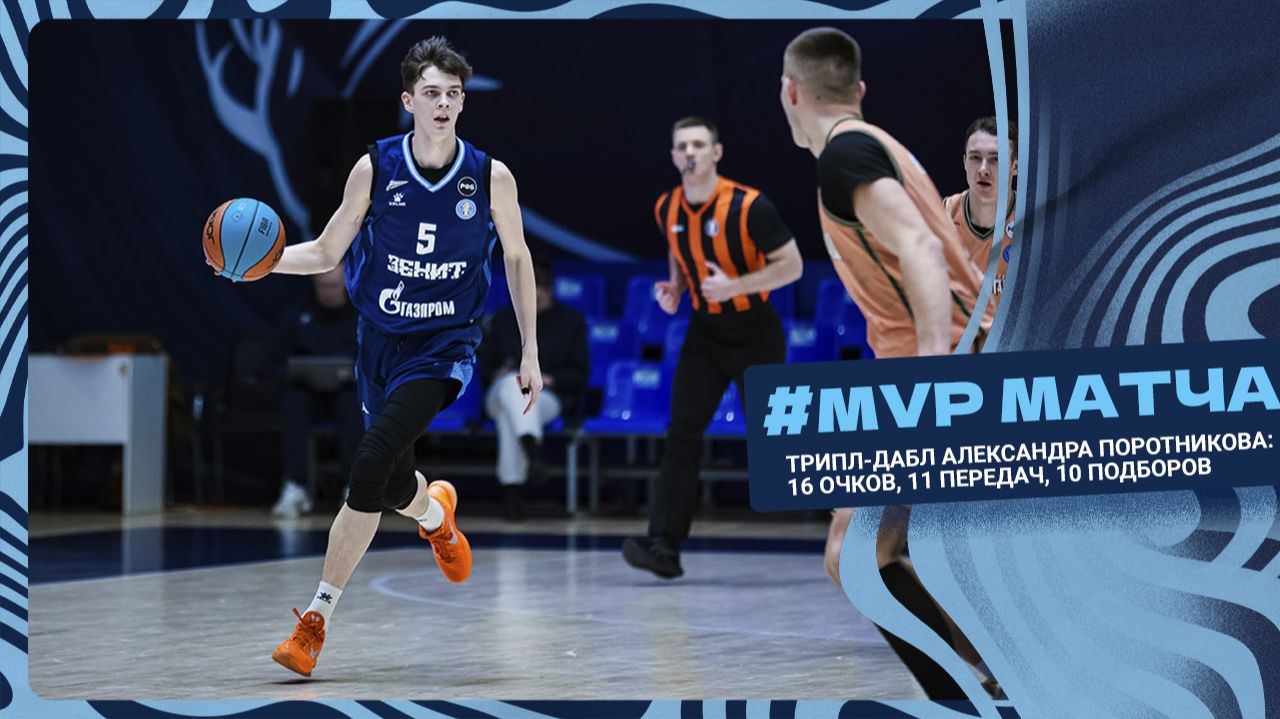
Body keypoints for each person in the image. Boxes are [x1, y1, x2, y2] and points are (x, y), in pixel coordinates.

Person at [231, 36, 542, 677]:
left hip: (444, 345)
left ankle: (314, 623)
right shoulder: (375, 167)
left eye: (453, 94)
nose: (443, 103)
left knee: (369, 463)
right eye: (431, 93)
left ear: (463, 102)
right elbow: (326, 252)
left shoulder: (491, 176)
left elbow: (516, 259)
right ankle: (436, 515)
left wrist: (529, 349)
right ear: (408, 101)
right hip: (379, 341)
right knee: (395, 483)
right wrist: (260, 264)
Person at [779, 28, 994, 699]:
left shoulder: (845, 155)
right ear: (859, 90)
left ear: (790, 93)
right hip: (966, 357)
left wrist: (931, 370)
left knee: (856, 555)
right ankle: (992, 677)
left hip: (936, 368)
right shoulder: (878, 146)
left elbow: (922, 251)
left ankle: (961, 696)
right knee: (884, 553)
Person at [621, 116, 803, 579]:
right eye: (682, 145)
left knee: (781, 440)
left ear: (716, 153)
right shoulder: (667, 207)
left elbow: (793, 266)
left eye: (699, 144)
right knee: (682, 432)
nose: (690, 152)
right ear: (673, 156)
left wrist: (736, 285)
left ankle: (853, 521)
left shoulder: (750, 206)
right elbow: (678, 249)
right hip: (705, 333)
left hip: (756, 331)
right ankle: (664, 545)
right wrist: (676, 287)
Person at [479, 260, 588, 520]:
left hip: (546, 398)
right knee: (512, 385)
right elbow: (484, 368)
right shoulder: (502, 320)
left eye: (538, 296)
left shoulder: (571, 321)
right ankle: (532, 450)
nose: (532, 303)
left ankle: (512, 494)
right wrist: (497, 373)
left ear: (550, 291)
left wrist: (549, 379)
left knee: (510, 415)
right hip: (500, 393)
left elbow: (579, 375)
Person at [271, 265, 361, 518]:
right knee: (293, 401)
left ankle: (354, 486)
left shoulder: (361, 317)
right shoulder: (298, 316)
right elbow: (276, 363)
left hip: (348, 392)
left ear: (345, 285)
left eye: (333, 286)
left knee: (353, 403)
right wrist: (295, 373)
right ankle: (295, 485)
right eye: (323, 287)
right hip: (309, 394)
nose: (328, 292)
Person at [943, 117, 1017, 315]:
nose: (983, 169)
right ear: (965, 163)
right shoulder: (941, 218)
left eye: (995, 159)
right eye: (975, 158)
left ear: (1015, 166)